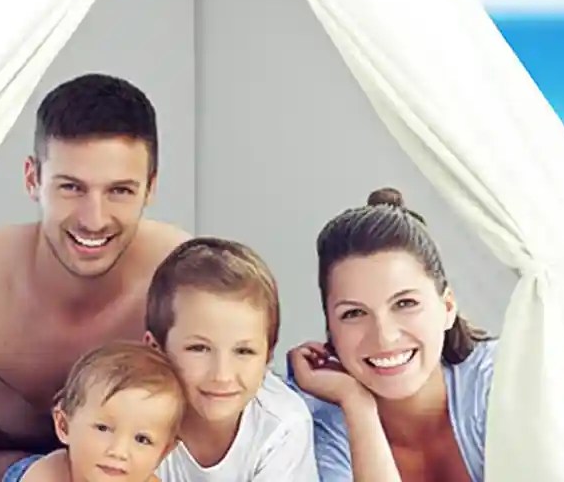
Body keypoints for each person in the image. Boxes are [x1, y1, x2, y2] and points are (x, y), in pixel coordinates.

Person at [0, 73, 192, 482]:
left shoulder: (182, 280)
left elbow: (227, 425)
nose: (94, 219)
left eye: (120, 191)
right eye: (71, 187)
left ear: (150, 188)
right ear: (33, 179)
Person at [288, 188, 496, 482]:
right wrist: (356, 405)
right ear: (330, 328)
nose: (384, 338)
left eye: (405, 303)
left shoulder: (500, 384)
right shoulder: (312, 424)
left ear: (447, 307)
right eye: (354, 313)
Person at [146, 238, 318, 481]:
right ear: (156, 349)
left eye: (244, 352)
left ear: (268, 355)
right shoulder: (132, 416)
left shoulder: (282, 423)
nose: (222, 375)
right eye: (199, 348)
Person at [16, 341, 187, 482]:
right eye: (103, 428)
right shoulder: (46, 476)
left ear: (164, 452)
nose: (118, 452)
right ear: (64, 426)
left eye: (142, 439)